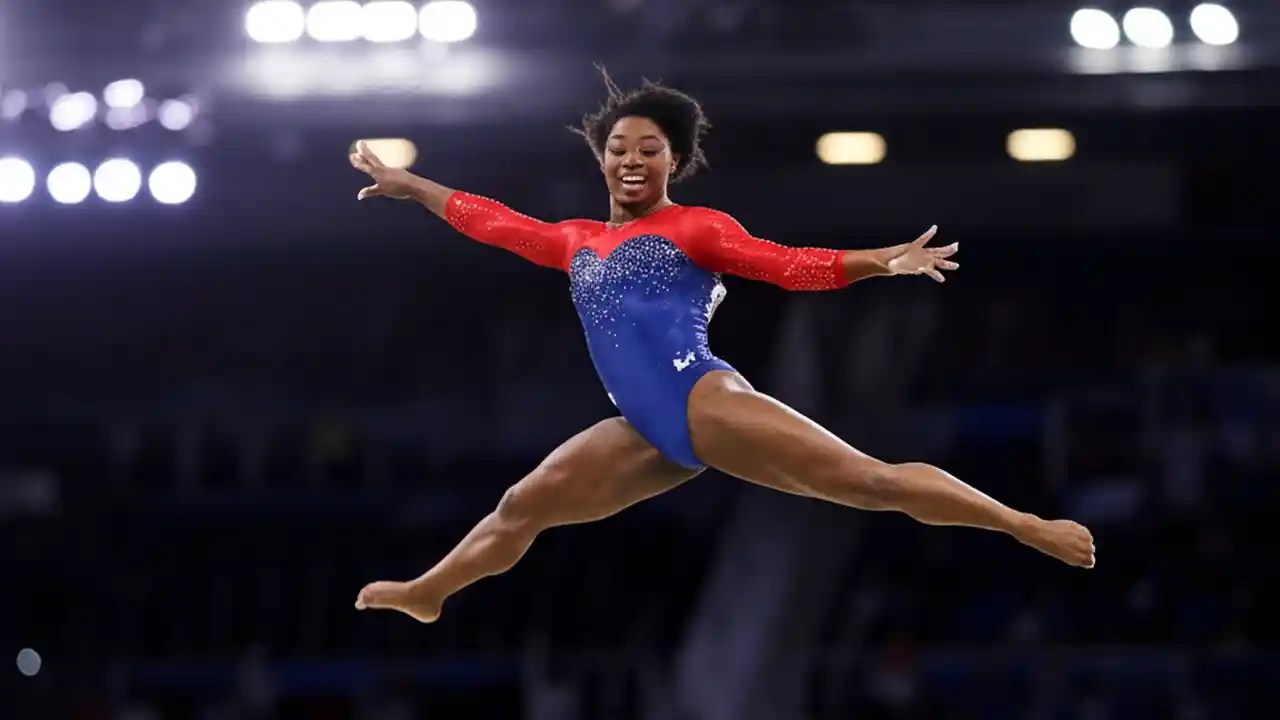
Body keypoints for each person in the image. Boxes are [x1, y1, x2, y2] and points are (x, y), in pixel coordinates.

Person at [349, 73, 1095, 623]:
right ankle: (431, 593)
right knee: (523, 504)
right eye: (618, 148)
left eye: (651, 149)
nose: (632, 160)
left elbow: (782, 263)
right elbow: (491, 221)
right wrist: (410, 184)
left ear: (674, 162)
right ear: (601, 158)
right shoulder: (575, 240)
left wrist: (879, 260)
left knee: (869, 482)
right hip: (642, 428)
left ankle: (1024, 525)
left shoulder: (695, 228)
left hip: (701, 396)